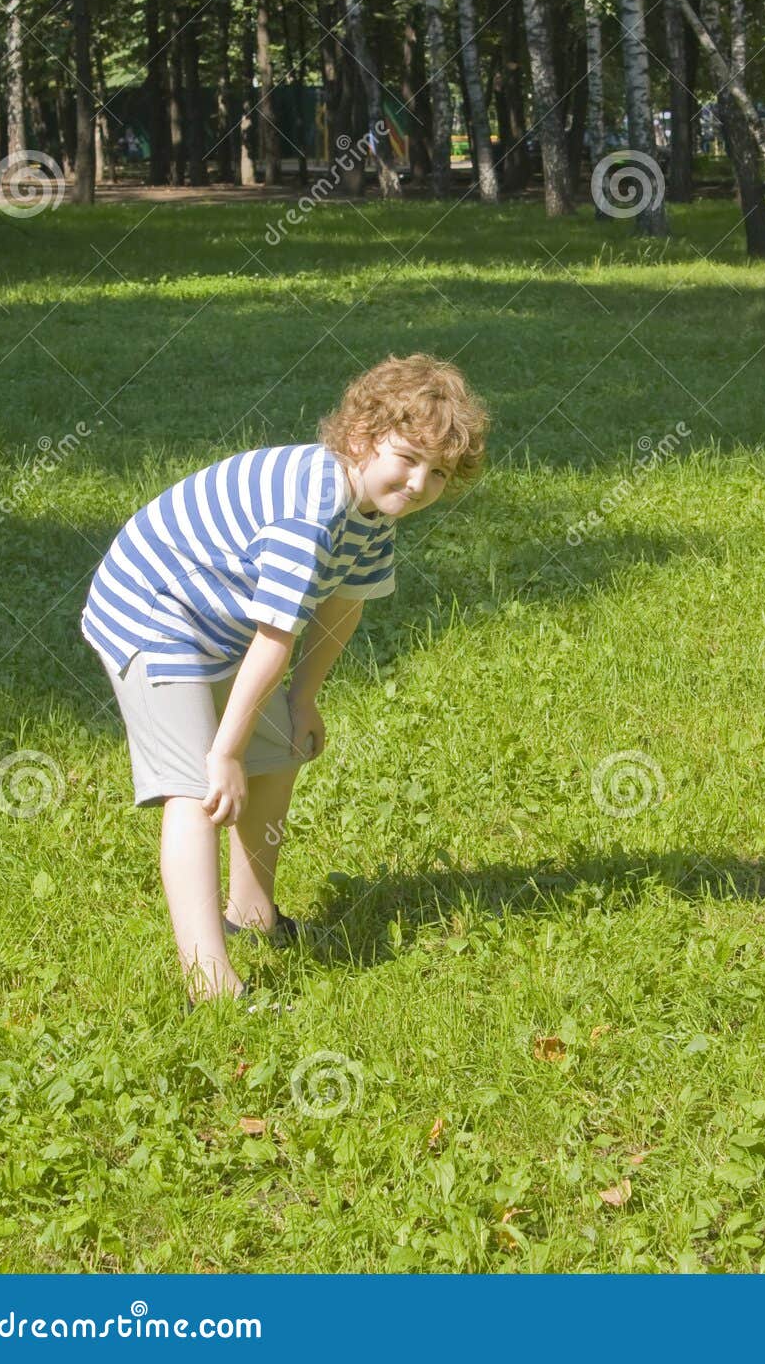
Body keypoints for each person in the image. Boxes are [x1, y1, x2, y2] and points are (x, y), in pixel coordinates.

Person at [81, 354, 489, 1010]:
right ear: (360, 437)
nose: (418, 482)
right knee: (197, 791)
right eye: (408, 457)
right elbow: (276, 636)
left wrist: (302, 699)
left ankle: (252, 911)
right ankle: (209, 982)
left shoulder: (372, 511)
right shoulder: (313, 508)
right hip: (153, 608)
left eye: (438, 472)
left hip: (221, 617)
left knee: (278, 750)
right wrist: (222, 752)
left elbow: (342, 604)